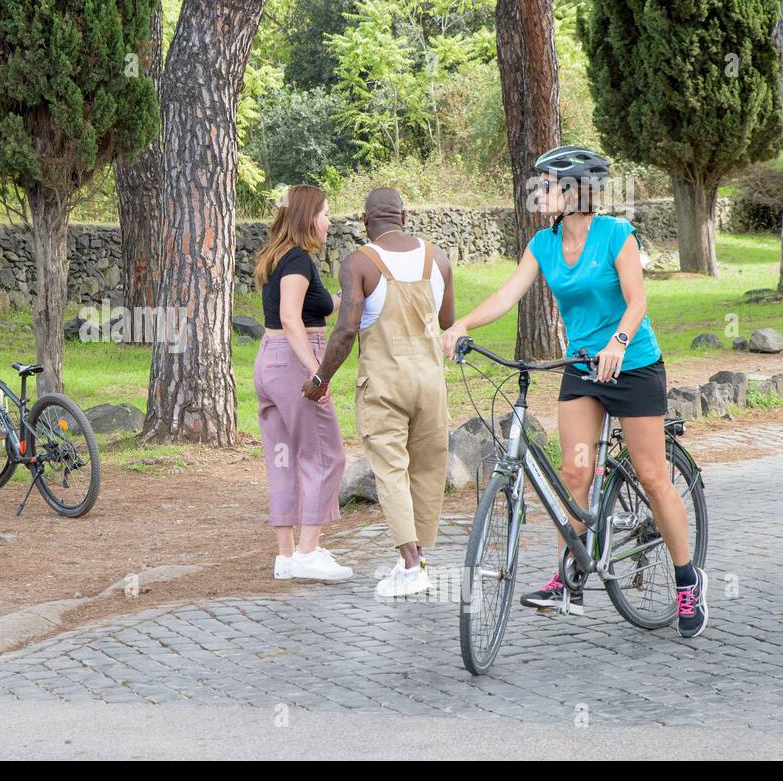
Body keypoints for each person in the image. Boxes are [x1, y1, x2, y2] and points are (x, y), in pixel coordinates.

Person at [440, 146, 708, 638]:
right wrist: (461, 324)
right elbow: (506, 294)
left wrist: (619, 343)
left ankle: (687, 580)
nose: (537, 192)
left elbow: (637, 302)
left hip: (634, 364)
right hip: (583, 367)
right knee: (575, 471)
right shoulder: (543, 243)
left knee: (652, 475)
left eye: (546, 184)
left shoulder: (615, 236)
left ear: (576, 191)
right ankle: (571, 580)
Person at [302, 188, 455, 598]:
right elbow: (447, 318)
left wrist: (320, 379)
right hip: (430, 382)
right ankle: (418, 558)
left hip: (385, 384)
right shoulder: (437, 257)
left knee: (390, 469)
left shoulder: (359, 262)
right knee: (426, 469)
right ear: (405, 216)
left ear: (366, 220)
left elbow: (347, 329)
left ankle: (408, 566)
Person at [254, 185, 352, 582]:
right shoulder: (297, 259)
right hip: (294, 363)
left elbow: (312, 308)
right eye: (326, 213)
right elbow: (292, 318)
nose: (330, 221)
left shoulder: (278, 257)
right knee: (326, 456)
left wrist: (348, 298)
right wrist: (318, 373)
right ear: (309, 217)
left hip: (269, 362)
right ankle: (308, 551)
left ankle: (286, 556)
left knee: (283, 459)